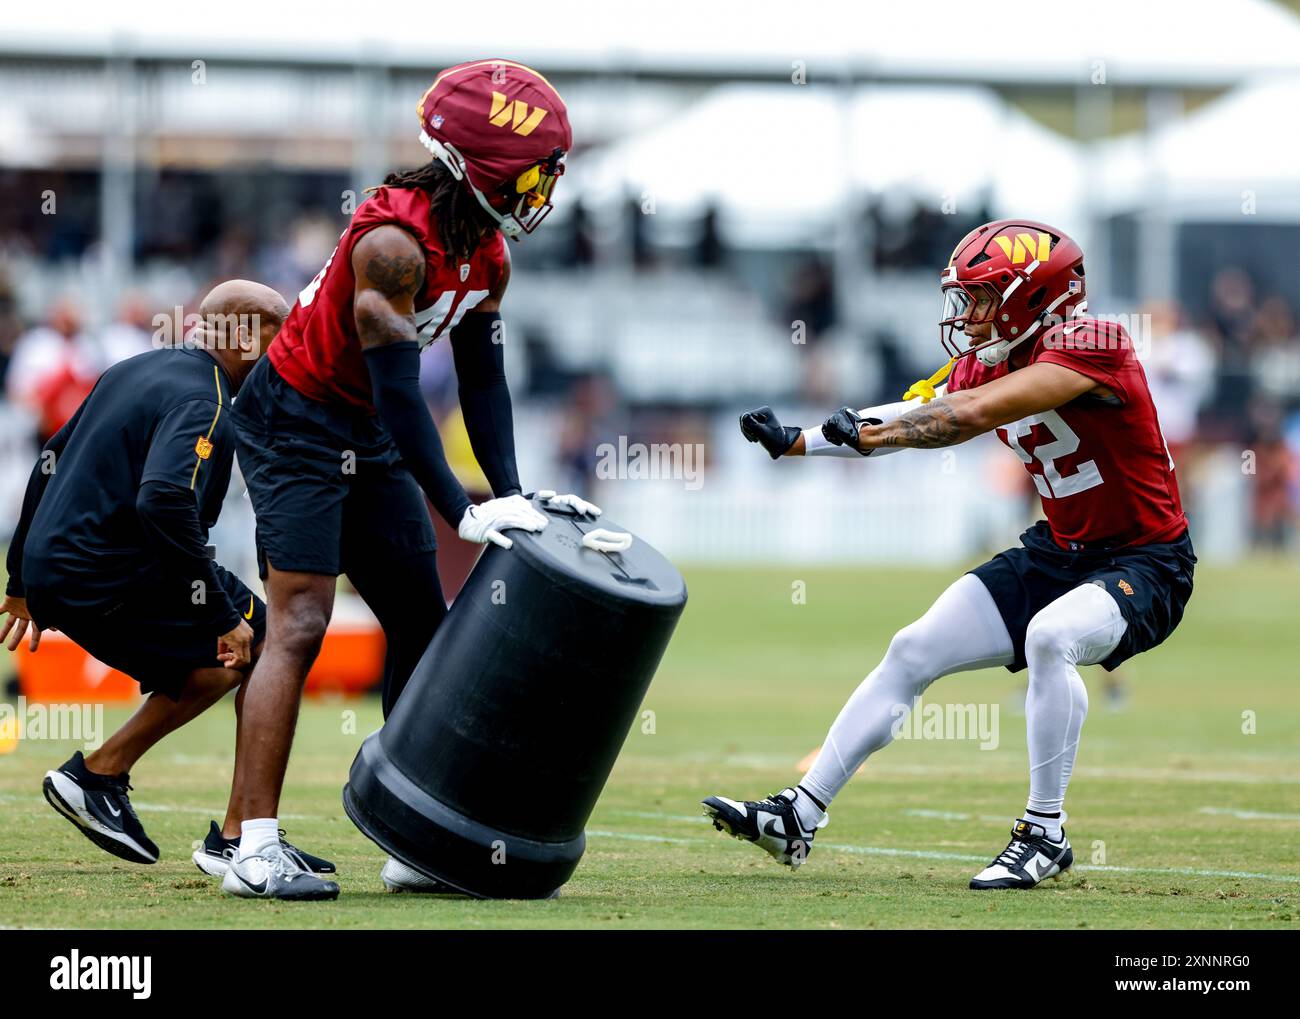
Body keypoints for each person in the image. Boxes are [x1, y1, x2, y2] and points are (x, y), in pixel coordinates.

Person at [710, 219, 1195, 890]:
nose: (967, 314)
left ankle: (1044, 832)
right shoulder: (998, 353)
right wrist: (801, 440)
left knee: (1052, 636)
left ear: (1034, 298)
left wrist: (868, 437)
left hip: (1145, 560)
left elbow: (962, 417)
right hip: (1057, 550)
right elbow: (922, 404)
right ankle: (801, 812)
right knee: (913, 647)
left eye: (982, 297)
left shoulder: (1092, 343)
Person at [221, 60, 599, 900]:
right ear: (486, 161)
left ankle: (414, 830)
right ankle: (250, 844)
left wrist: (509, 489)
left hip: (362, 424)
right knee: (301, 618)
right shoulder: (393, 246)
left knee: (424, 623)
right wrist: (460, 508)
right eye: (536, 169)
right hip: (295, 416)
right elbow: (399, 399)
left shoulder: (487, 252)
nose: (545, 188)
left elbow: (483, 381)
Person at [2, 281, 331, 879]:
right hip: (110, 567)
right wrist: (219, 613)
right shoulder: (205, 401)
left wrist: (21, 574)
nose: (285, 349)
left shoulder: (133, 369)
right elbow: (163, 501)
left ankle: (109, 778)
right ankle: (227, 835)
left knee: (223, 662)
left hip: (65, 568)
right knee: (267, 641)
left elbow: (50, 455)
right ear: (239, 335)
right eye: (277, 333)